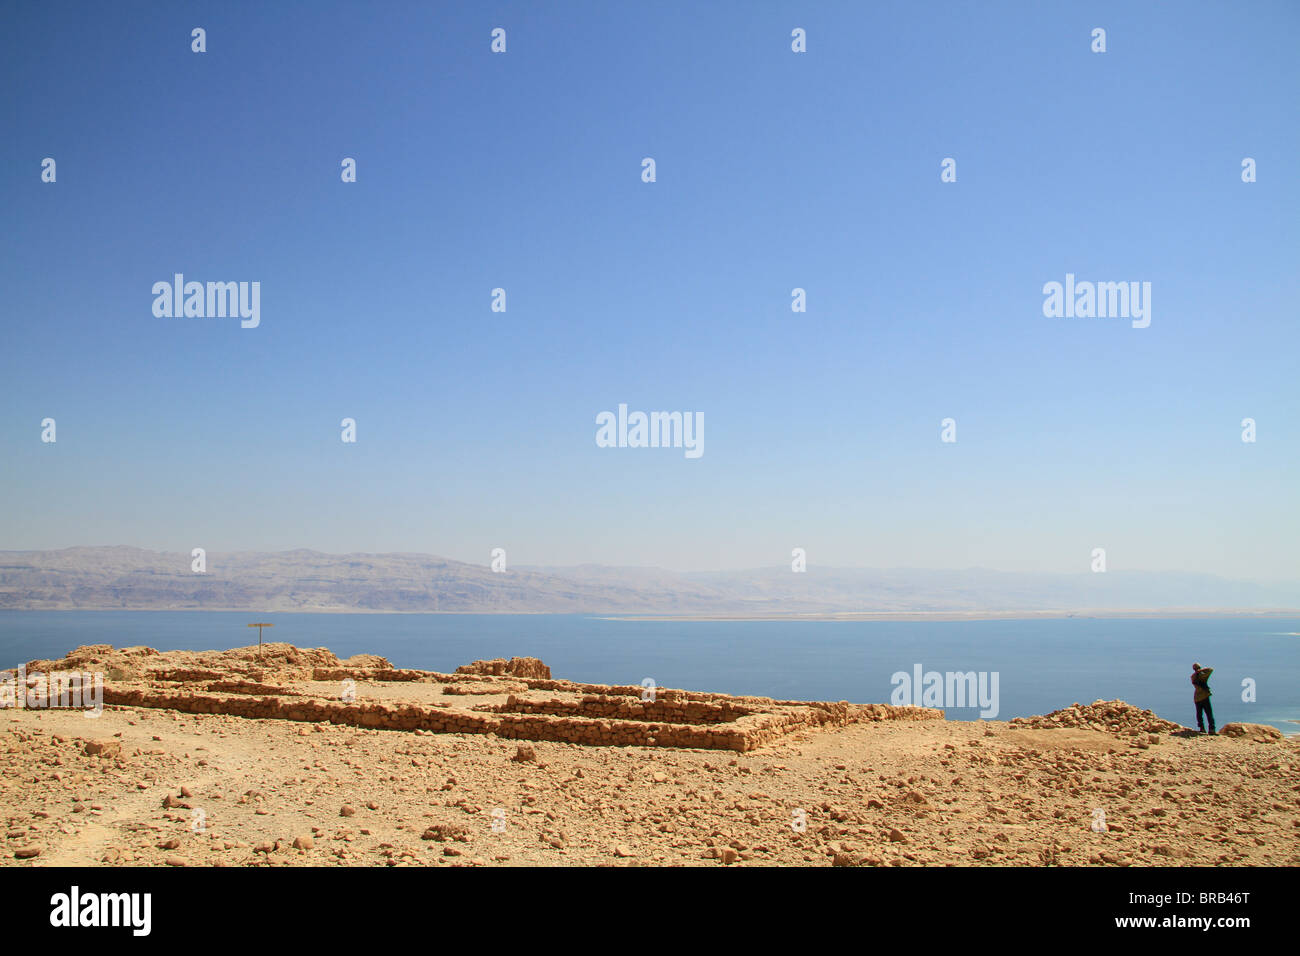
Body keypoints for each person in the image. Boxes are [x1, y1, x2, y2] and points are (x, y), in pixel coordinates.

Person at [1191, 663, 1215, 735]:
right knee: (1209, 713)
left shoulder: (1193, 676)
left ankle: (1202, 728)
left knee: (1199, 713)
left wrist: (1197, 671)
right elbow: (1211, 669)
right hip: (1204, 696)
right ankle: (1212, 729)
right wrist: (1200, 670)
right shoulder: (1203, 675)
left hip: (1197, 698)